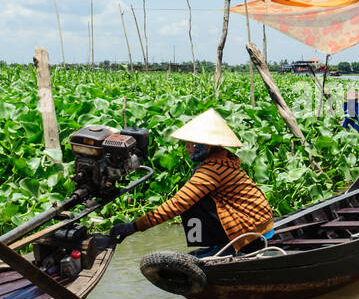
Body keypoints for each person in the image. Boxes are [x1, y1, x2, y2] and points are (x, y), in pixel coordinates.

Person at [109, 109, 274, 258]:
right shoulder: (222, 158)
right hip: (259, 221)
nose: (188, 148)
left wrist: (135, 226)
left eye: (192, 144)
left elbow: (178, 204)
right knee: (195, 198)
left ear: (207, 146)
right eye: (187, 143)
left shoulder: (212, 169)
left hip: (251, 229)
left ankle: (226, 247)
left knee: (190, 202)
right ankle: (217, 244)